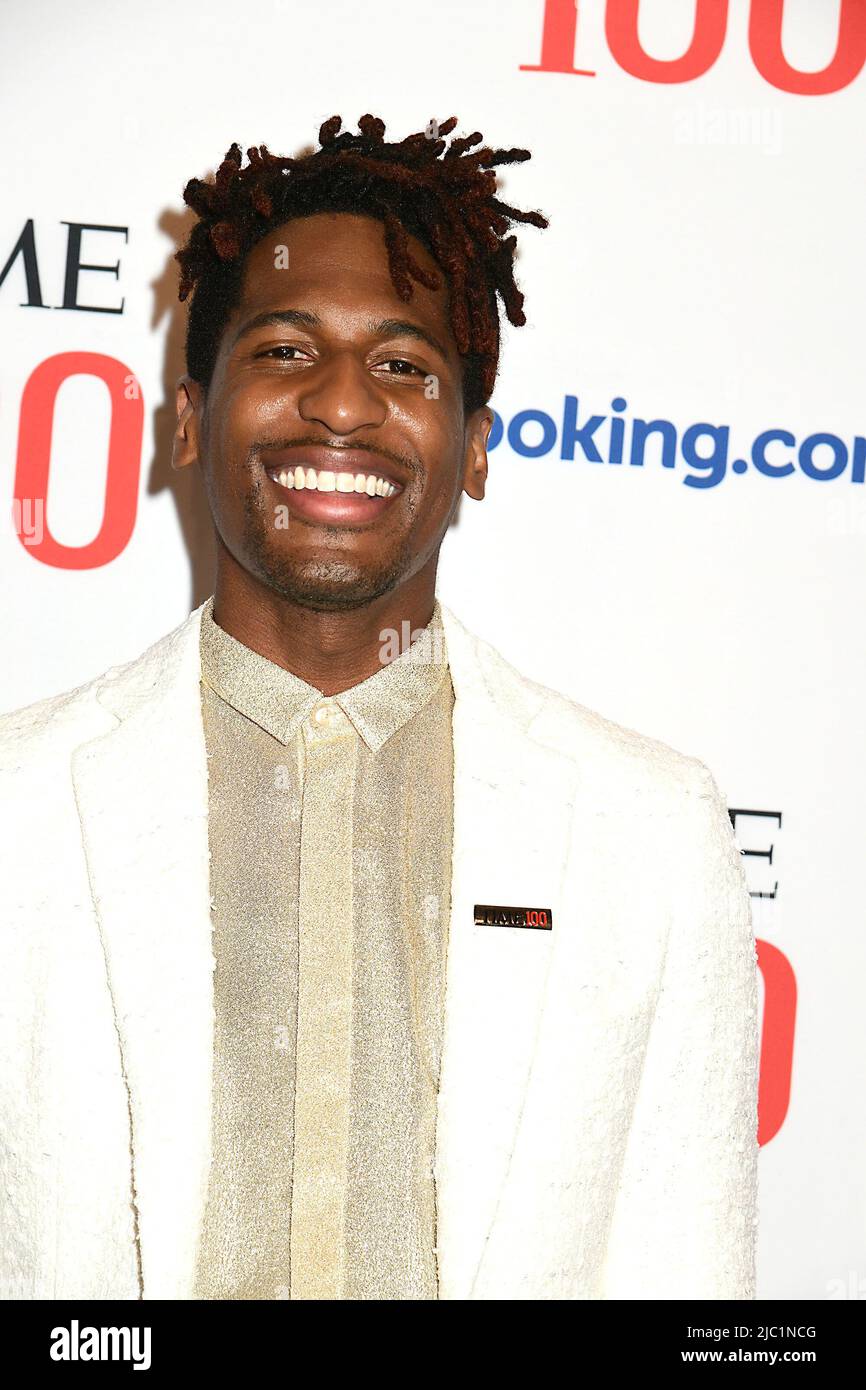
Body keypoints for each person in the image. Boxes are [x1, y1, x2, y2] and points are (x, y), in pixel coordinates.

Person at [0, 114, 759, 1301]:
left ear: (472, 448)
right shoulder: (19, 803)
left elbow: (691, 1280)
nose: (343, 406)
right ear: (190, 418)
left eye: (404, 365)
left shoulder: (648, 831)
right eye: (286, 350)